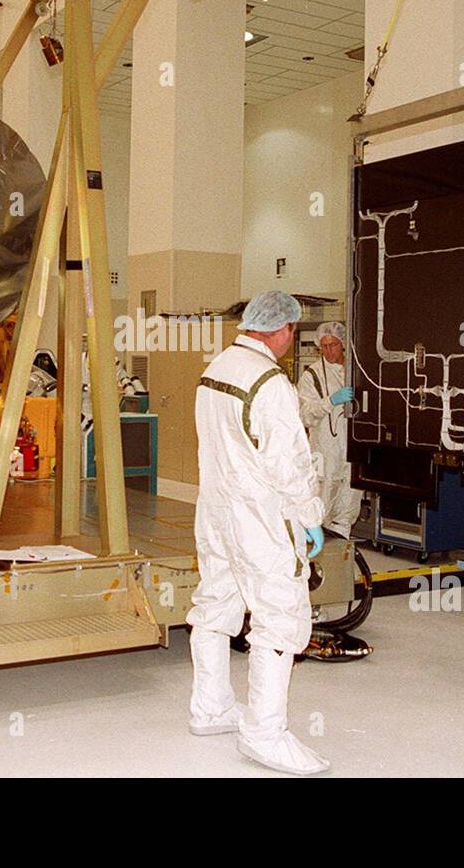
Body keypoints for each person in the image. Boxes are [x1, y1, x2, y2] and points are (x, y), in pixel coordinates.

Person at [188, 289, 329, 775]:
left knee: (215, 603)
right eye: (294, 331)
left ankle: (211, 707)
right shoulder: (269, 382)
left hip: (216, 511)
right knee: (279, 617)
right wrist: (310, 515)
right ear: (283, 329)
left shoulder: (216, 369)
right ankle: (265, 734)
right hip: (259, 519)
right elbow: (289, 462)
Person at [297, 321, 362, 540]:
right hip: (325, 447)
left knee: (351, 491)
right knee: (323, 492)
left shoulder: (355, 370)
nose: (328, 351)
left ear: (342, 344)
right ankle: (314, 537)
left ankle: (342, 536)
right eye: (323, 346)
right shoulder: (312, 375)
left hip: (352, 445)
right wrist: (330, 401)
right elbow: (305, 413)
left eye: (333, 345)